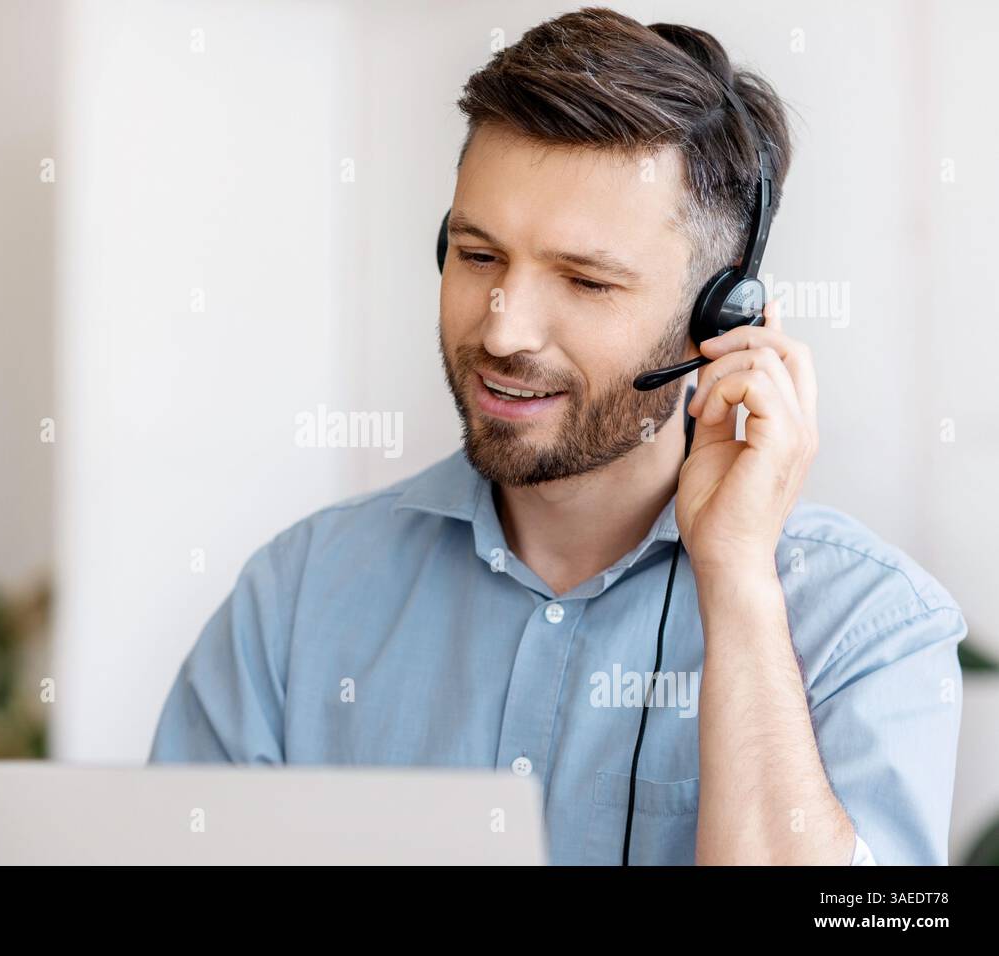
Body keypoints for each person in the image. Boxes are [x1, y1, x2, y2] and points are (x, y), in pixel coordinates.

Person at [148, 7, 966, 865]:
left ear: (717, 320)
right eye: (477, 256)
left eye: (584, 281)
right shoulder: (298, 597)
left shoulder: (866, 625)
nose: (505, 331)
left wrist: (737, 586)